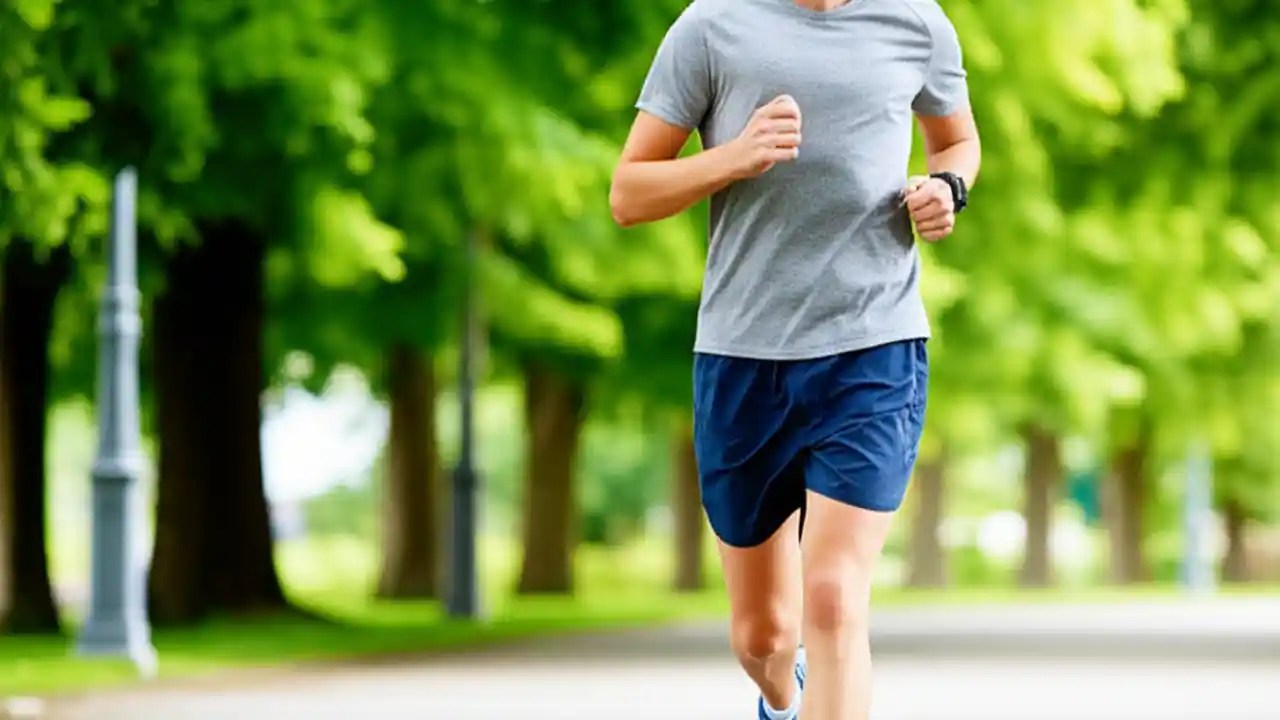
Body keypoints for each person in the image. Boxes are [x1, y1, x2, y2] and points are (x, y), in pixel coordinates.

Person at [610, 0, 980, 718]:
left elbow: (955, 140)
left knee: (836, 599)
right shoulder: (710, 26)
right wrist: (731, 158)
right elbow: (629, 193)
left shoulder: (917, 21)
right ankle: (784, 701)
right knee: (764, 637)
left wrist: (947, 190)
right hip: (742, 356)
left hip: (874, 347)